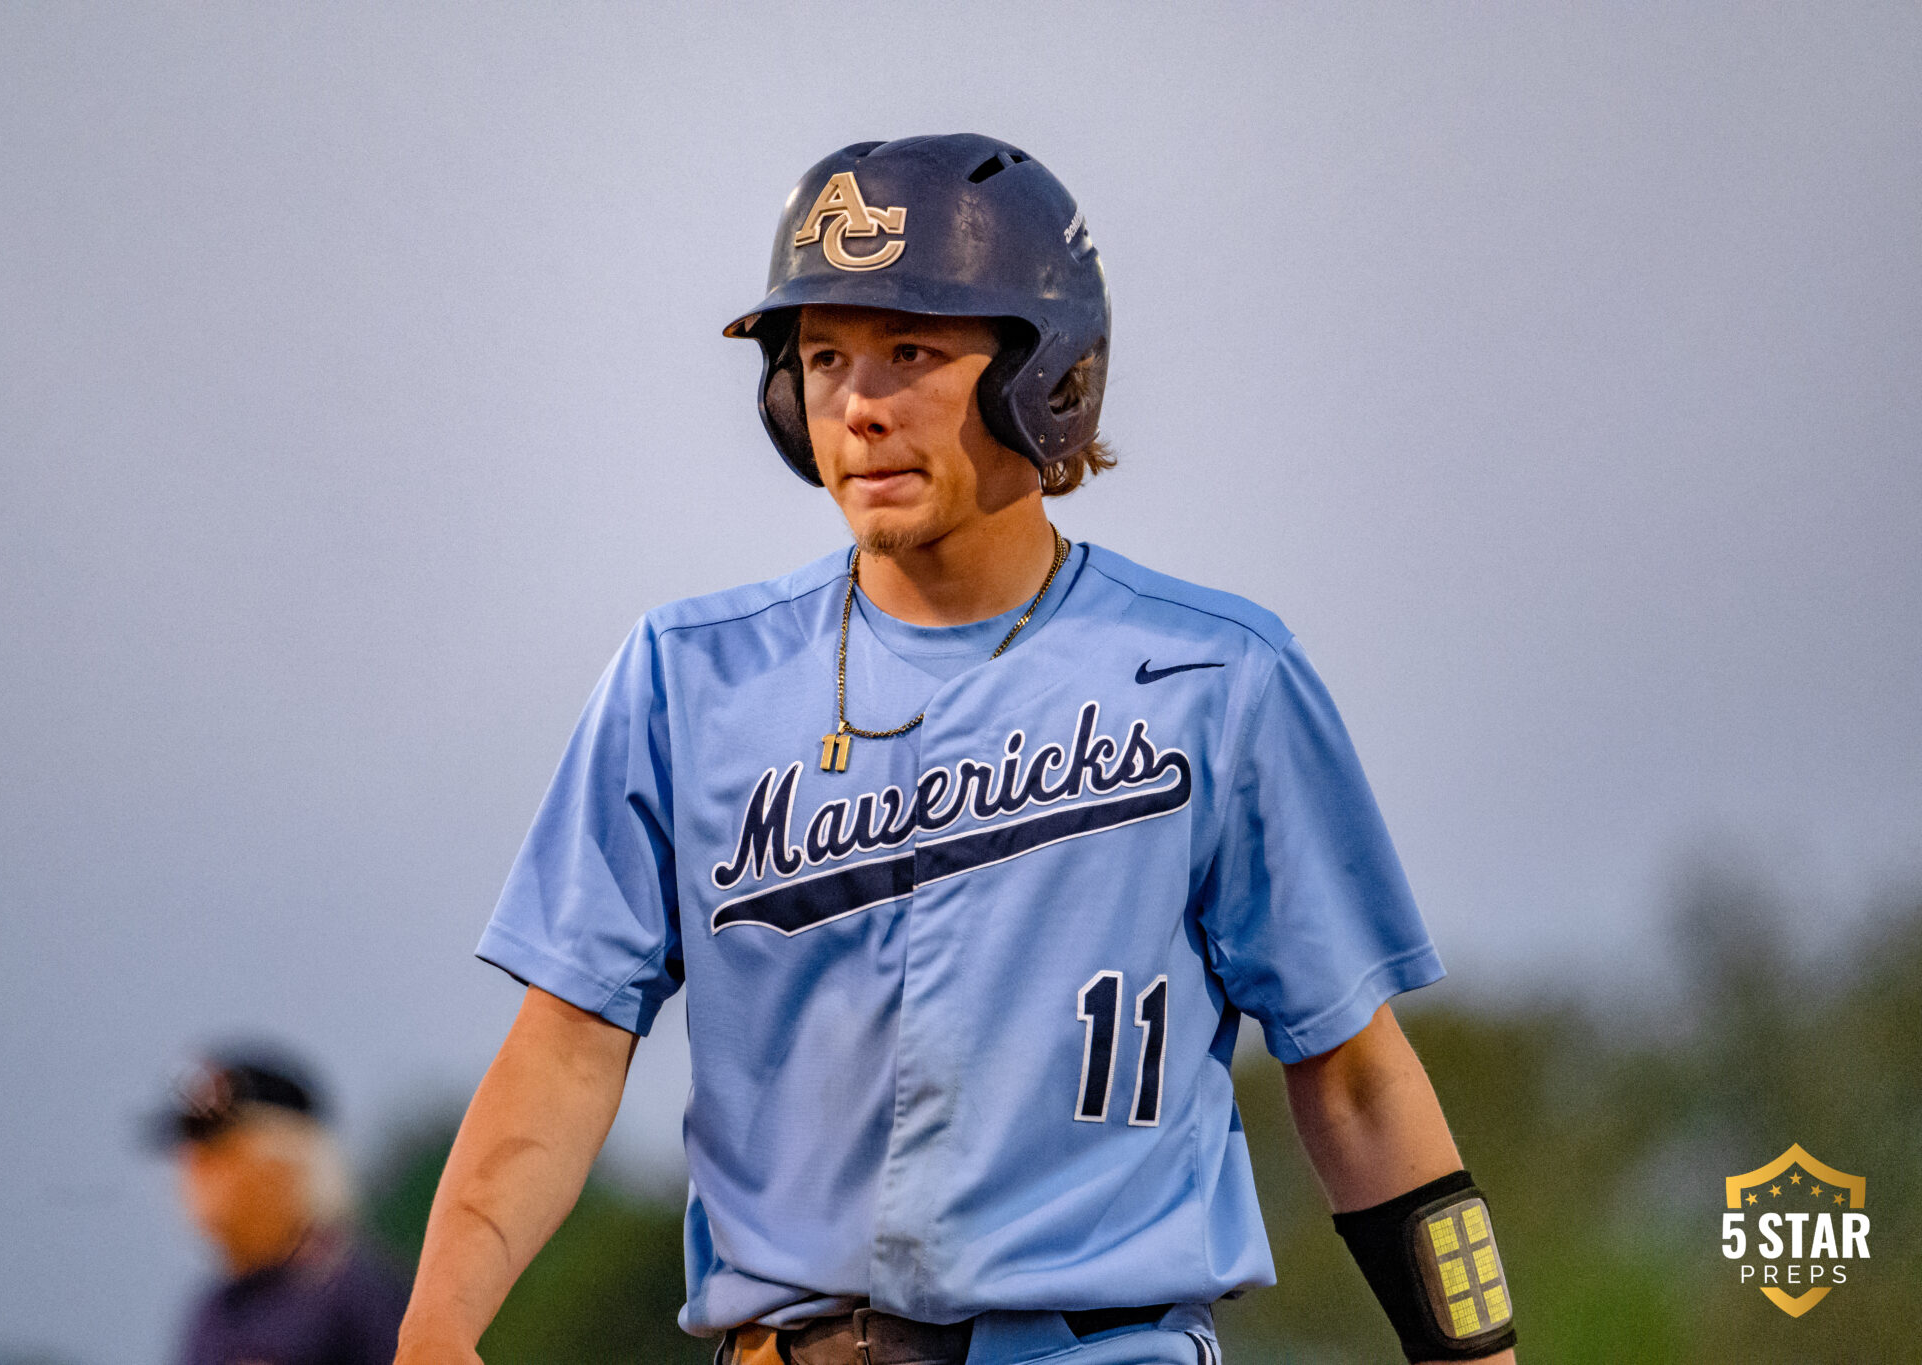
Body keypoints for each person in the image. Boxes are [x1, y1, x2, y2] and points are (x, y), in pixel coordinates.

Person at [396, 135, 1517, 1365]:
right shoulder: (687, 679)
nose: (858, 404)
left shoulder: (1216, 677)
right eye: (823, 358)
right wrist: (437, 1326)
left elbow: (1352, 1078)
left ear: (1046, 377)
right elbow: (565, 1047)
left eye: (910, 352)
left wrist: (1476, 1355)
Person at [156, 1049, 408, 1365]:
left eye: (221, 1150)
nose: (196, 1172)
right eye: (192, 1155)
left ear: (289, 1159)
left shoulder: (361, 1298)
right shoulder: (214, 1315)